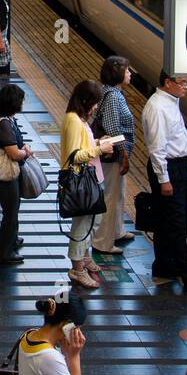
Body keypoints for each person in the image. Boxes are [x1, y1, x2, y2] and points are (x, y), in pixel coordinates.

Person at [142, 71, 187, 299]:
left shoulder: (170, 101)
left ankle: (164, 265)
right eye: (182, 82)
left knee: (166, 219)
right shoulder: (158, 108)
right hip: (169, 168)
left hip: (178, 166)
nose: (186, 87)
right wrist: (165, 180)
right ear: (167, 82)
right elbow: (156, 149)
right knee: (177, 222)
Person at [61, 79, 116, 289]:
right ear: (85, 100)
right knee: (82, 226)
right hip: (81, 182)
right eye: (94, 103)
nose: (95, 107)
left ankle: (84, 257)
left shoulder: (79, 119)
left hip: (92, 178)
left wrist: (99, 142)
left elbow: (83, 145)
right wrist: (100, 150)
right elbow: (74, 155)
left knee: (94, 221)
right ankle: (77, 269)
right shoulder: (74, 120)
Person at [91, 55, 136, 255]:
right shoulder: (111, 96)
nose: (130, 74)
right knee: (110, 195)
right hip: (112, 155)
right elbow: (112, 127)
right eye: (127, 70)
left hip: (115, 154)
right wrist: (123, 153)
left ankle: (117, 230)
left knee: (118, 193)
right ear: (117, 73)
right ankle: (102, 241)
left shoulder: (113, 93)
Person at [0, 83, 34, 266]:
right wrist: (26, 152)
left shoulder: (8, 119)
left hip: (9, 174)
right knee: (10, 212)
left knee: (13, 209)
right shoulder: (4, 124)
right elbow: (13, 153)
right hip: (5, 175)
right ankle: (3, 252)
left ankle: (12, 239)